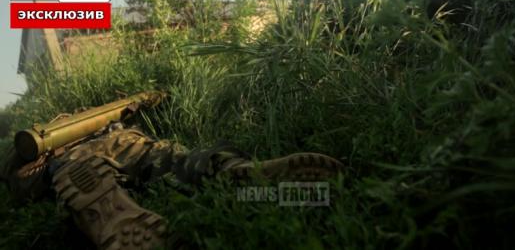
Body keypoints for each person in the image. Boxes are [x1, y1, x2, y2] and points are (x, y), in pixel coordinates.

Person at [1, 122, 343, 250]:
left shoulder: (37, 138)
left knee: (84, 174)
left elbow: (14, 175)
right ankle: (230, 168)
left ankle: (109, 211)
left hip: (78, 154)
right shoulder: (40, 136)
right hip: (120, 137)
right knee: (172, 158)